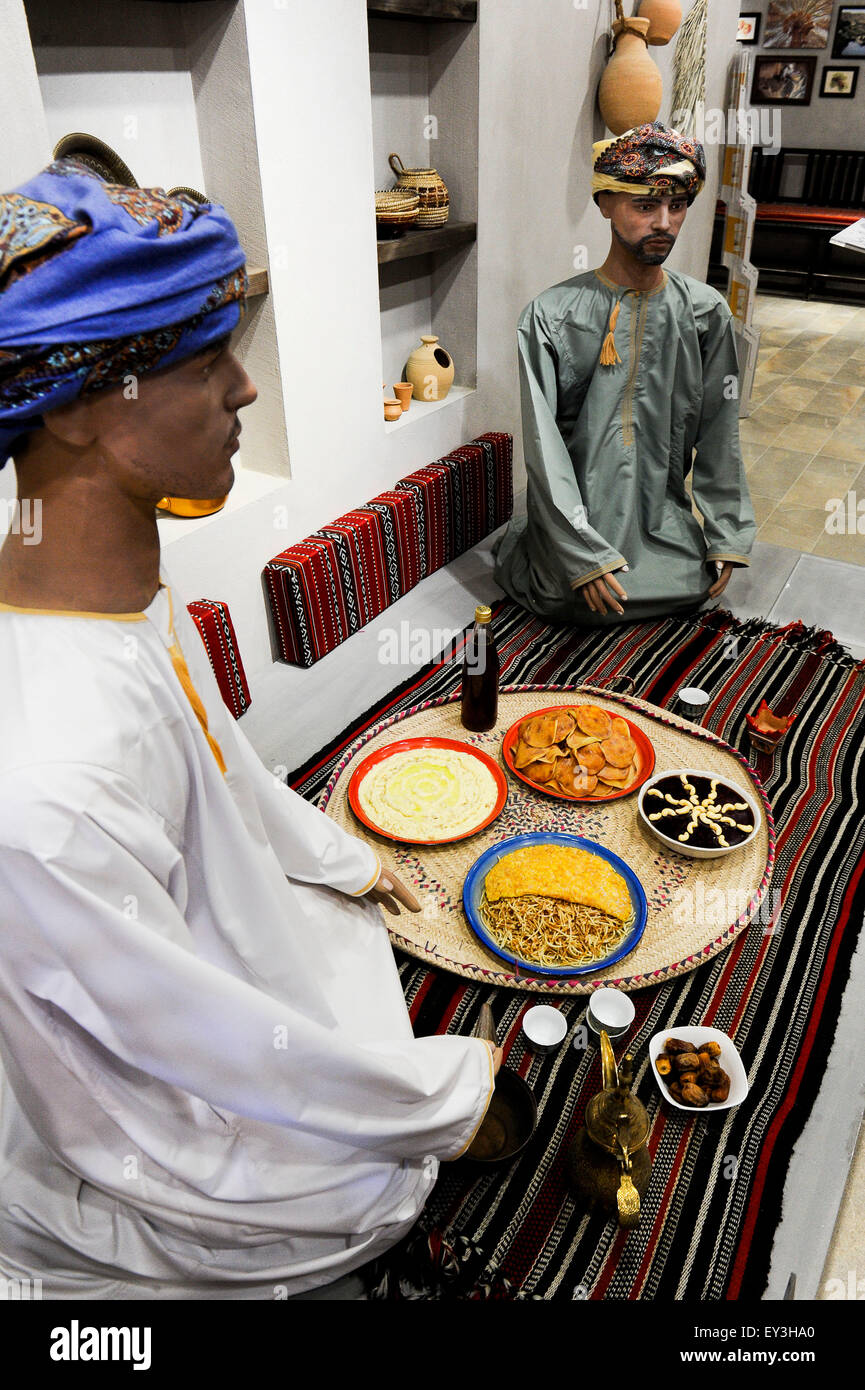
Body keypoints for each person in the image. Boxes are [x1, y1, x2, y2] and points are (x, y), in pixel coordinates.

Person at [0, 160, 499, 1300]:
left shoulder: (108, 608)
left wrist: (343, 856)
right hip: (150, 1126)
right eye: (201, 358)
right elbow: (148, 1071)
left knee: (331, 933)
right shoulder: (45, 783)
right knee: (355, 1190)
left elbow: (221, 772)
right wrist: (439, 1101)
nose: (245, 389)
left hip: (168, 953)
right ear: (78, 405)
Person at [494, 122, 756, 624]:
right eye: (644, 206)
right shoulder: (550, 316)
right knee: (571, 595)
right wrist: (582, 556)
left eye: (676, 206)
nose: (663, 222)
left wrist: (726, 532)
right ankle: (567, 556)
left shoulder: (705, 312)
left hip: (663, 520)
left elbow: (721, 430)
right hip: (579, 523)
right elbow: (544, 451)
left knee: (693, 584)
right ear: (605, 203)